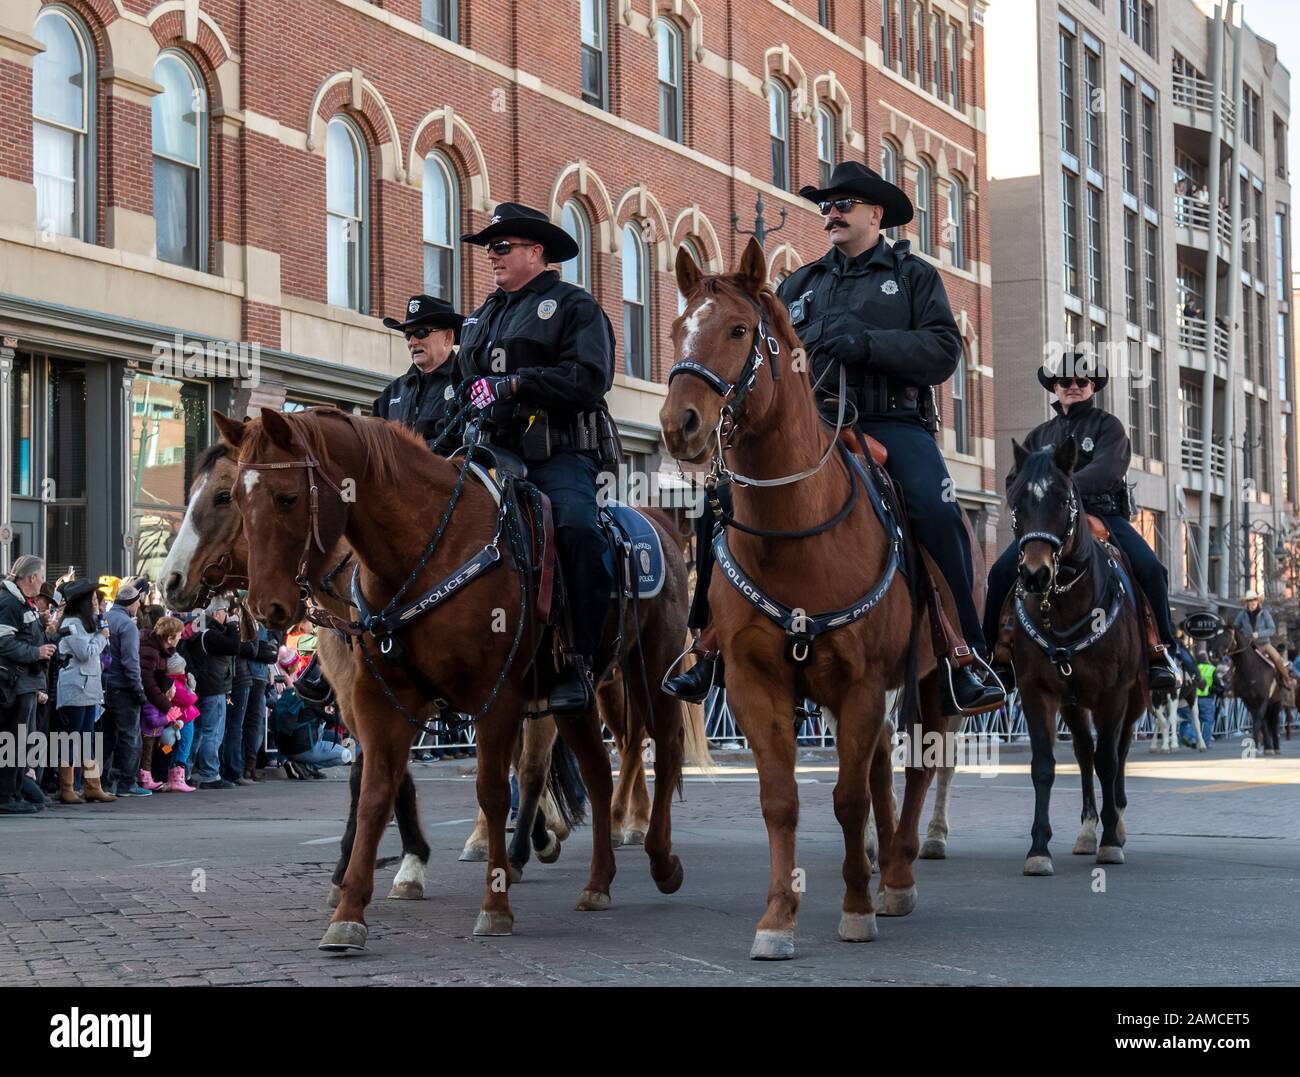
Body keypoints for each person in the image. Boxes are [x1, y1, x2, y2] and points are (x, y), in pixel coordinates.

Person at [667, 161, 1003, 715]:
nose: (831, 214)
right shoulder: (800, 284)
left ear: (876, 213)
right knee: (719, 498)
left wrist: (866, 342)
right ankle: (706, 645)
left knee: (937, 510)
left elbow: (944, 352)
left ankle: (963, 652)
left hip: (893, 423)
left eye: (843, 204)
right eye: (826, 205)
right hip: (815, 425)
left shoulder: (914, 277)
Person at [457, 202, 617, 712]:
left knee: (575, 530)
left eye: (501, 247)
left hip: (558, 452)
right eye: (489, 249)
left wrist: (518, 382)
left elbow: (591, 378)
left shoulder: (574, 306)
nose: (492, 256)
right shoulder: (481, 316)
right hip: (487, 451)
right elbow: (465, 387)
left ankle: (578, 656)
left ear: (536, 251)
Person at [981, 351, 1179, 692]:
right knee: (999, 573)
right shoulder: (1039, 436)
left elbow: (1108, 470)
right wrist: (1032, 498)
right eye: (1064, 381)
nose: (1072, 386)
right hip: (1049, 524)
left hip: (1103, 515)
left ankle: (1160, 651)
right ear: (1055, 388)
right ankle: (991, 658)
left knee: (1151, 568)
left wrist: (1063, 487)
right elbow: (1015, 480)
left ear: (1092, 386)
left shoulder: (1108, 426)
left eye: (1080, 381)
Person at [183, 595, 278, 790]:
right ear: (217, 613)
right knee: (213, 731)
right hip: (214, 686)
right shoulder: (210, 633)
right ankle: (210, 773)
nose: (228, 615)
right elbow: (237, 647)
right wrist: (235, 626)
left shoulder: (201, 631)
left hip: (209, 685)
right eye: (225, 612)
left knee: (201, 731)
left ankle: (185, 772)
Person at [0, 556, 59, 815]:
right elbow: (3, 642)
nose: (43, 582)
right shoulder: (9, 602)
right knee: (14, 740)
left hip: (25, 683)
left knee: (21, 742)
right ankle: (6, 796)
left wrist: (43, 628)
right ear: (32, 578)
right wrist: (36, 652)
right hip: (15, 684)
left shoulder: (22, 603)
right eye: (42, 577)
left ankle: (13, 793)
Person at [53, 579, 114, 804]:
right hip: (75, 688)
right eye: (93, 599)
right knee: (72, 738)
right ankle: (67, 787)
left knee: (88, 738)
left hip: (89, 688)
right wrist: (102, 636)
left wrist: (100, 622)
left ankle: (92, 785)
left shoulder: (85, 623)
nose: (96, 602)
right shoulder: (71, 623)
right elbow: (85, 653)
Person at [376, 294, 465, 447]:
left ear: (448, 337)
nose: (412, 342)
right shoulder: (392, 392)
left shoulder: (464, 385)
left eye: (421, 332)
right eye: (408, 335)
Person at [103, 582, 154, 797]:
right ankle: (127, 783)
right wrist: (138, 689)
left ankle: (102, 782)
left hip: (104, 686)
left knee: (106, 736)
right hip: (123, 687)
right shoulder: (128, 625)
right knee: (131, 737)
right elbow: (131, 662)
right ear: (133, 604)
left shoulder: (105, 619)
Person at [138, 615, 184, 792]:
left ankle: (160, 775)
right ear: (170, 637)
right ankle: (144, 777)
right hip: (151, 713)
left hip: (158, 713)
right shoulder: (150, 651)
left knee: (162, 749)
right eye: (178, 635)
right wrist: (168, 709)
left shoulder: (161, 651)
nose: (181, 638)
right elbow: (149, 684)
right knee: (146, 752)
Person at [1233, 591, 1291, 684]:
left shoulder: (1265, 613)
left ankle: (1287, 679)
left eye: (1255, 600)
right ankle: (1231, 685)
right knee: (1234, 661)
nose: (1253, 602)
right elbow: (1234, 628)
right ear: (1247, 602)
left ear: (1258, 601)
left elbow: (1272, 629)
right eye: (1250, 600)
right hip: (1249, 646)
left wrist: (1259, 634)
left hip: (1264, 644)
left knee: (1277, 658)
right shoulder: (1242, 615)